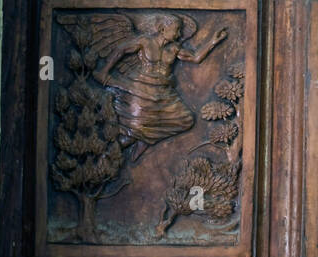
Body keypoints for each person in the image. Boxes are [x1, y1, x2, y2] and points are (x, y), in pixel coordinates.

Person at [96, 13, 227, 160]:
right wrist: (104, 71)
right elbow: (121, 50)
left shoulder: (174, 49)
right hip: (142, 90)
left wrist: (213, 42)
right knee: (137, 125)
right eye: (176, 29)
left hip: (164, 93)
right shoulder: (145, 41)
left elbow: (195, 57)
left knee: (186, 120)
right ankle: (112, 153)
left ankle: (145, 139)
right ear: (162, 29)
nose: (179, 34)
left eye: (180, 30)